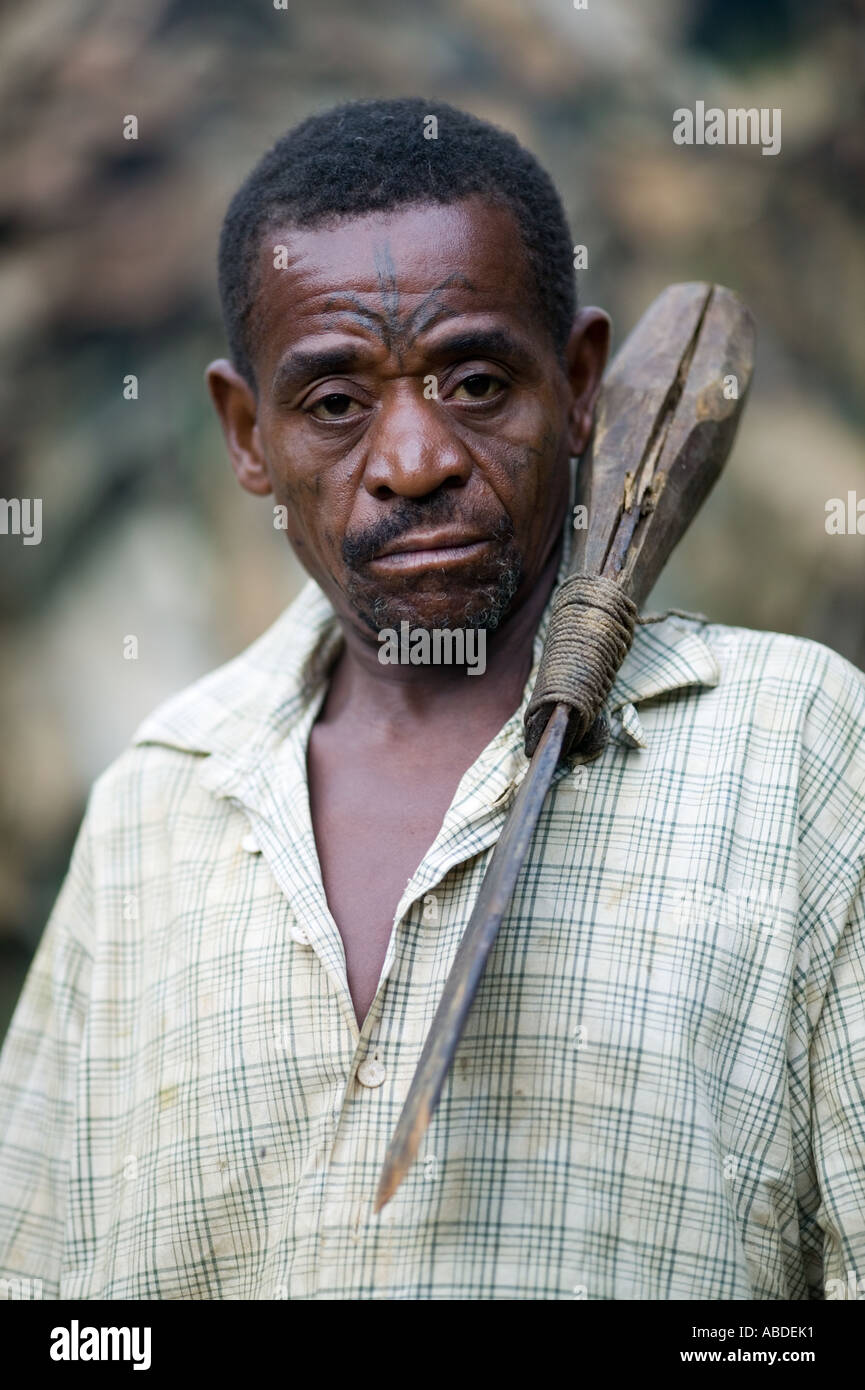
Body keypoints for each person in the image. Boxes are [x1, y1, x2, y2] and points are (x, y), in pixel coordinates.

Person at [0, 97, 863, 1301]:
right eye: (336, 403)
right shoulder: (156, 803)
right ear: (247, 434)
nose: (414, 460)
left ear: (579, 387)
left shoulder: (797, 750)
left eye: (473, 380)